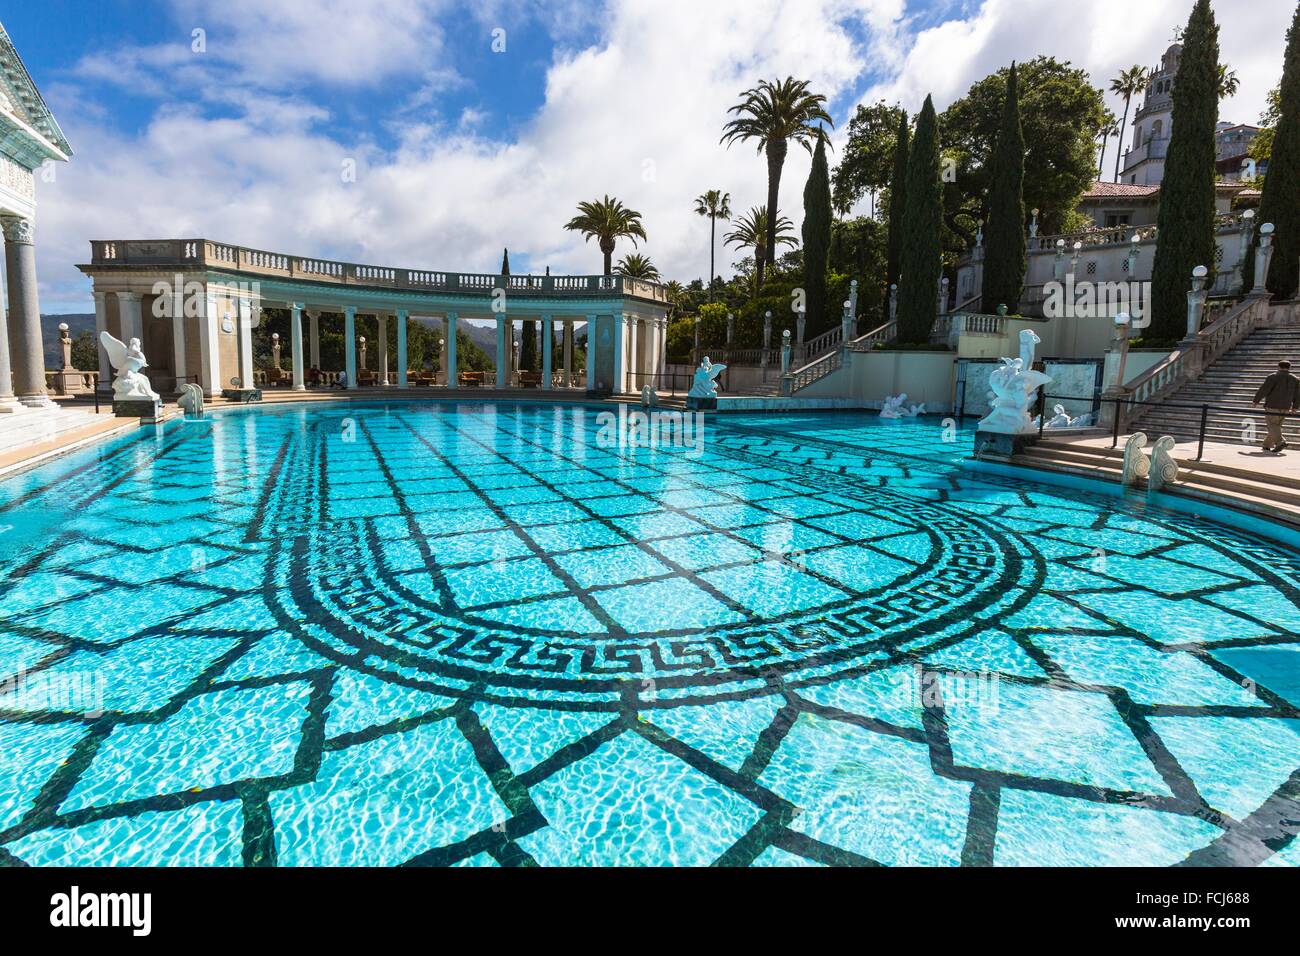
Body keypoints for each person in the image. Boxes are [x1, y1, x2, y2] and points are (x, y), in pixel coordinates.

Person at [1252, 360, 1300, 453]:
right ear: (1289, 368)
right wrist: (1295, 407)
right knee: (1276, 426)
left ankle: (1281, 442)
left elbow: (1264, 389)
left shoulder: (1273, 376)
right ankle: (1266, 445)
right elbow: (1297, 395)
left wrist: (1256, 401)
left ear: (1279, 367)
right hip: (1286, 406)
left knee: (1272, 425)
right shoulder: (1295, 379)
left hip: (1272, 405)